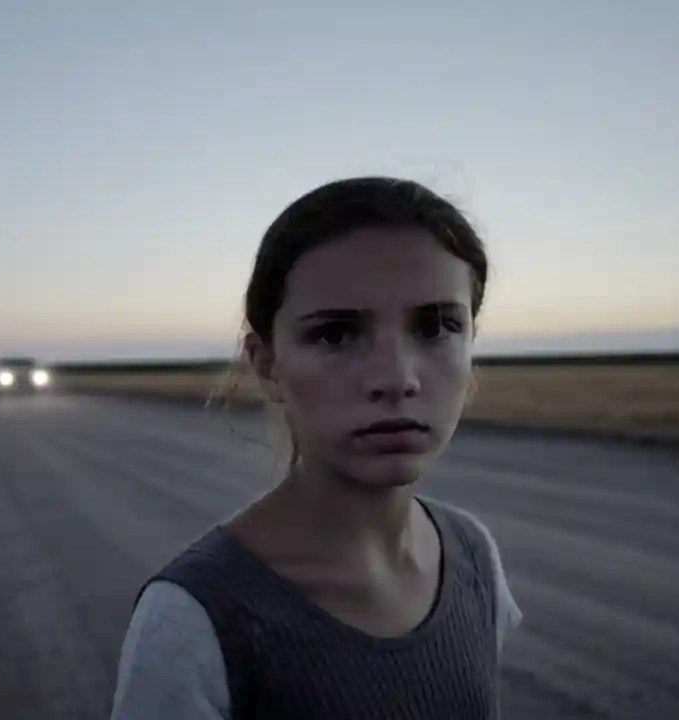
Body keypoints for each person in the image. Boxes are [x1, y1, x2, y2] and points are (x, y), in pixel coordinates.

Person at [110, 176, 522, 719]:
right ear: (268, 363)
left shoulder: (473, 557)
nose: (397, 378)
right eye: (335, 334)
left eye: (439, 326)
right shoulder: (195, 617)